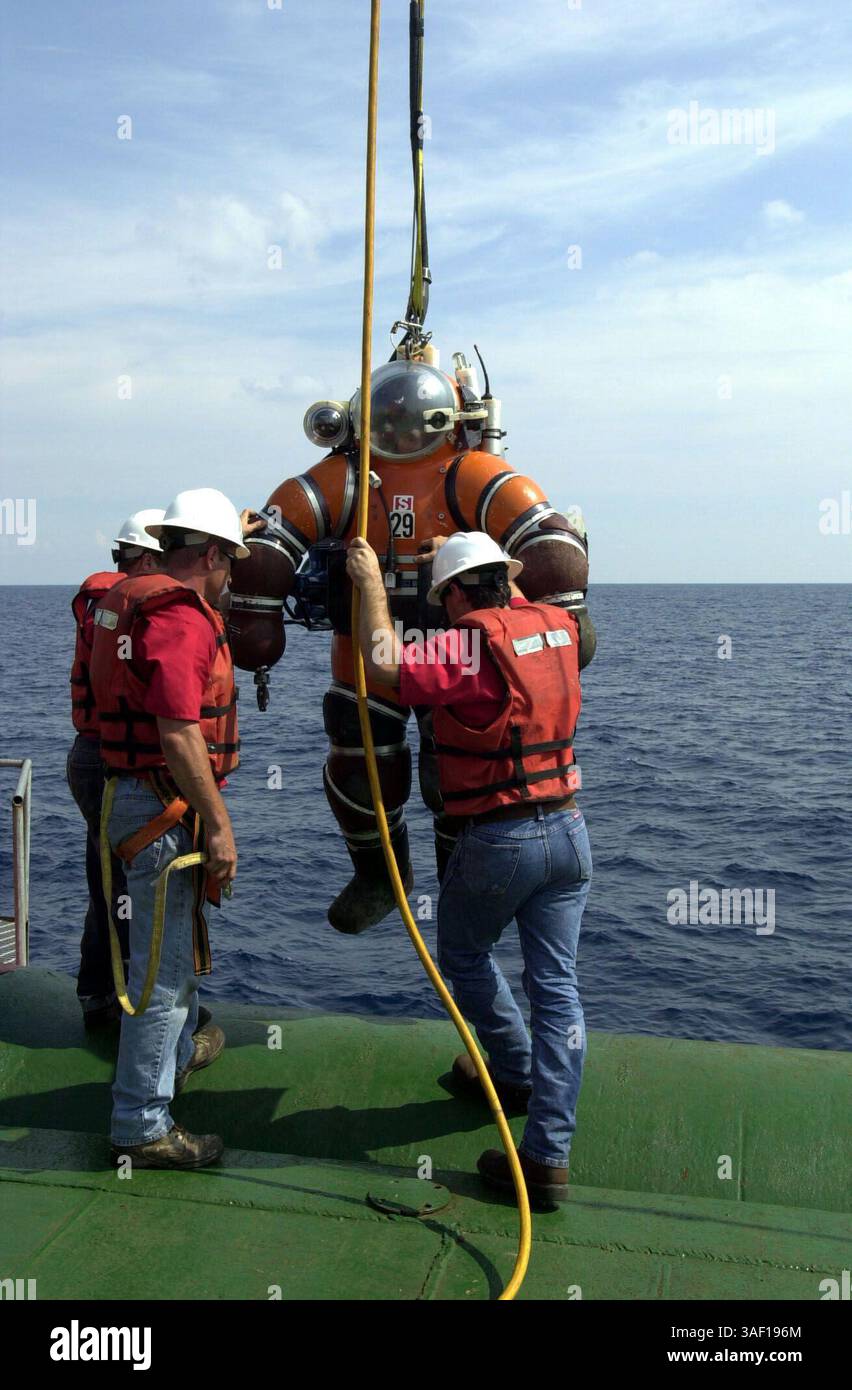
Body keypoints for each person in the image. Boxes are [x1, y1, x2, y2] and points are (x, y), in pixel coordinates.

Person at [346, 530, 591, 1204]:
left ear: (455, 594)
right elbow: (513, 620)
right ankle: (546, 1155)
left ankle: (510, 1067)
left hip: (502, 837)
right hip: (571, 832)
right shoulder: (560, 628)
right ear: (505, 578)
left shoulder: (467, 641)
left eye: (446, 596)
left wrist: (370, 582)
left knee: (463, 955)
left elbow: (383, 663)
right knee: (558, 988)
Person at [89, 488, 261, 1170]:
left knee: (167, 966)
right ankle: (139, 1125)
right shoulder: (183, 619)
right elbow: (180, 731)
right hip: (162, 812)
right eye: (231, 565)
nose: (231, 581)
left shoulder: (132, 596)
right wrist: (218, 827)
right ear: (213, 556)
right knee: (160, 977)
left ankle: (175, 1057)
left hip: (128, 798)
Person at [67, 510, 166, 1028]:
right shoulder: (128, 608)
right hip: (111, 763)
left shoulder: (105, 604)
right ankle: (129, 1005)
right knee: (129, 889)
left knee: (110, 884)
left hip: (95, 757)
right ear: (149, 558)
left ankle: (102, 995)